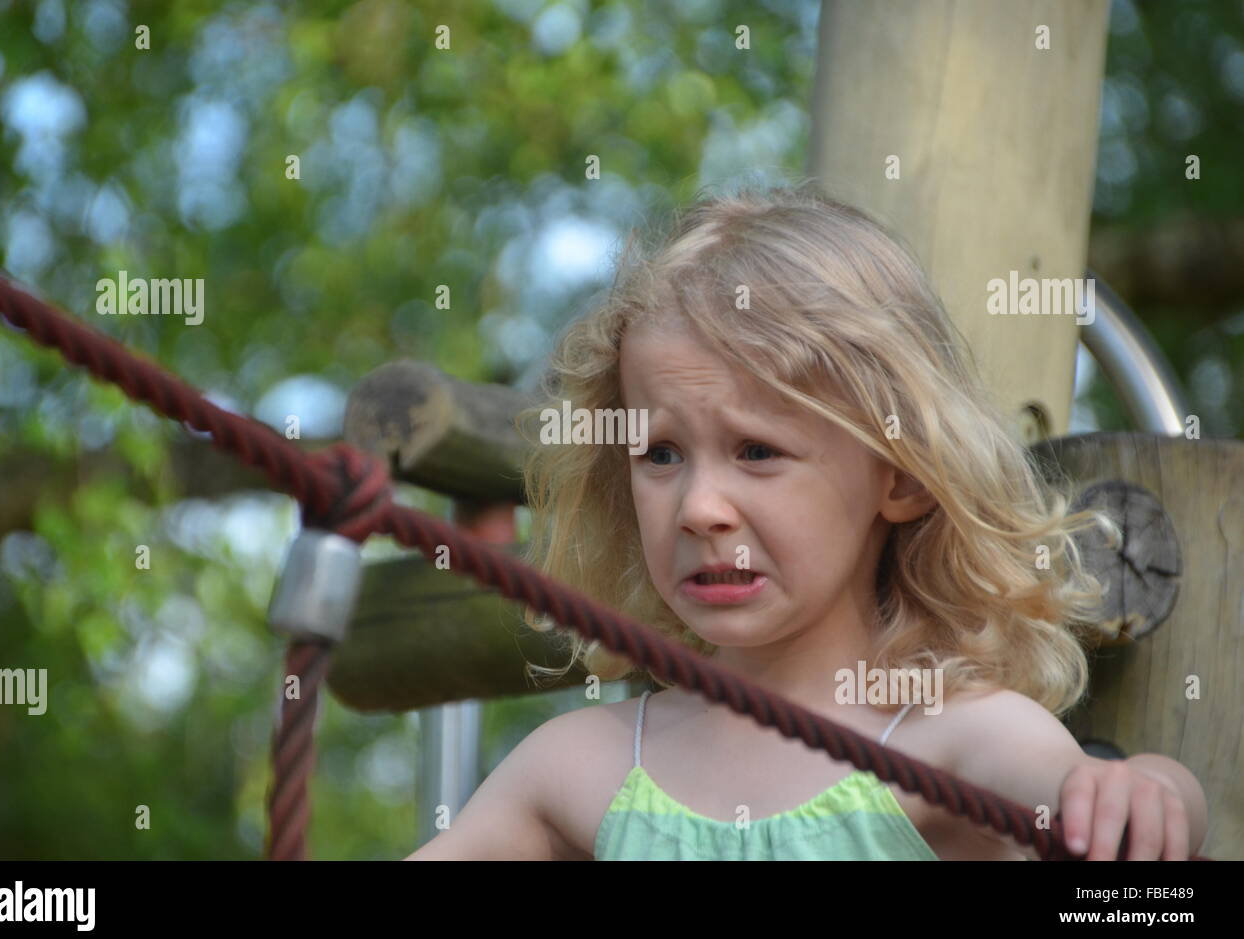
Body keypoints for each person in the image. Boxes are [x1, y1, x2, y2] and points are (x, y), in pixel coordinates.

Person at [405, 181, 1208, 861]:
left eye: (757, 449)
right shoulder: (586, 766)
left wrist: (1159, 791)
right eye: (660, 455)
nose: (700, 508)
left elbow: (1129, 873)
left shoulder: (960, 744)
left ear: (898, 475)